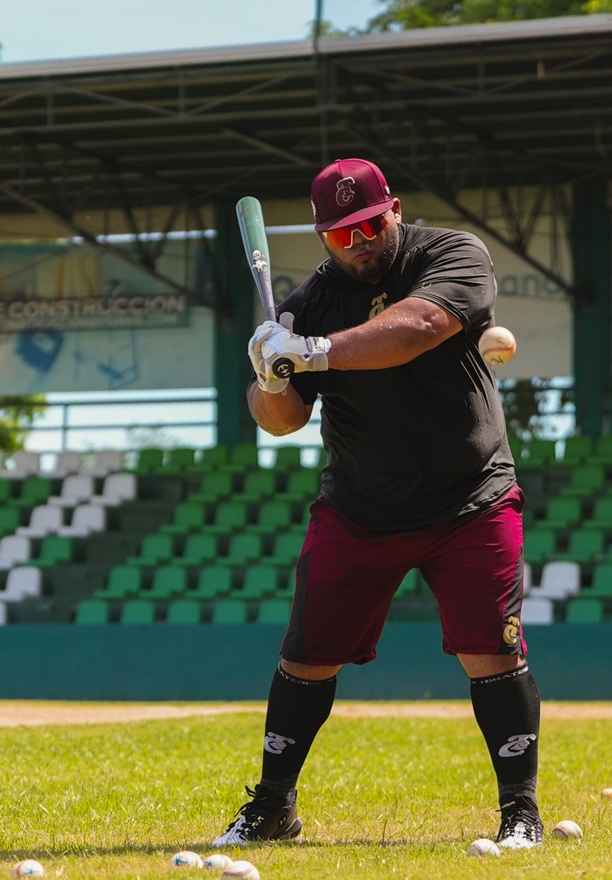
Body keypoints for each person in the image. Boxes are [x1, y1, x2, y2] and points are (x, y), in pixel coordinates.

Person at [211, 157, 544, 850]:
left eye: (368, 225)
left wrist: (309, 350)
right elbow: (280, 420)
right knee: (307, 655)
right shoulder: (308, 303)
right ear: (322, 236)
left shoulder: (452, 254)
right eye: (341, 235)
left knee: (491, 649)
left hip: (470, 496)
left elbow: (419, 325)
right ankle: (273, 806)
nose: (359, 243)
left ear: (394, 210)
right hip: (361, 506)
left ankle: (520, 813)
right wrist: (269, 369)